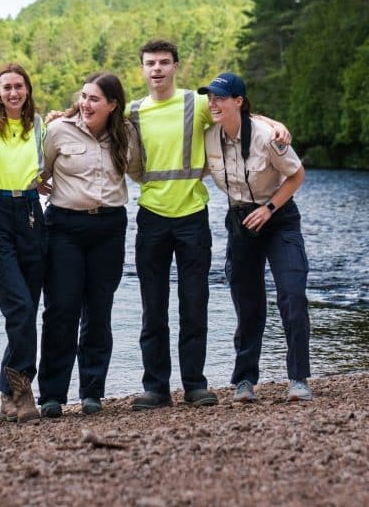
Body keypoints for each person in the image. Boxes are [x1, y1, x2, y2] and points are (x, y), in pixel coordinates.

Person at [122, 40, 290, 411]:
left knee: (194, 304)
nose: (157, 69)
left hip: (192, 218)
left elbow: (235, 112)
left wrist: (274, 123)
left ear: (175, 67)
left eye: (164, 62)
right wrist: (62, 115)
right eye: (150, 63)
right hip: (151, 216)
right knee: (153, 308)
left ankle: (195, 386)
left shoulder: (194, 103)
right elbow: (94, 114)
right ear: (142, 69)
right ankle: (156, 388)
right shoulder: (133, 111)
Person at [197, 72, 311, 403]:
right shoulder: (208, 137)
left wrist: (270, 209)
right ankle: (244, 381)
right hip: (240, 222)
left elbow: (297, 175)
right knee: (247, 304)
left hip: (279, 219)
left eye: (220, 98)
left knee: (292, 294)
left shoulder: (266, 136)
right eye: (210, 98)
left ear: (238, 101)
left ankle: (298, 379)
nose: (213, 104)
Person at [36, 73, 139, 417]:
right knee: (61, 309)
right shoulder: (57, 130)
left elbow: (138, 169)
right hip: (63, 228)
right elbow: (36, 170)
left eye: (95, 99)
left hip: (109, 228)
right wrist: (36, 184)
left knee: (98, 311)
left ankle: (92, 392)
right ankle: (52, 395)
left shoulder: (125, 133)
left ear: (112, 105)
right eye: (84, 96)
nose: (86, 104)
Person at [0, 63, 46, 423]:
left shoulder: (40, 124)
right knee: (18, 307)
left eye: (19, 86)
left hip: (33, 213)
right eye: (6, 87)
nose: (13, 93)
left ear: (27, 89)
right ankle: (22, 392)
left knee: (28, 309)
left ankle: (7, 390)